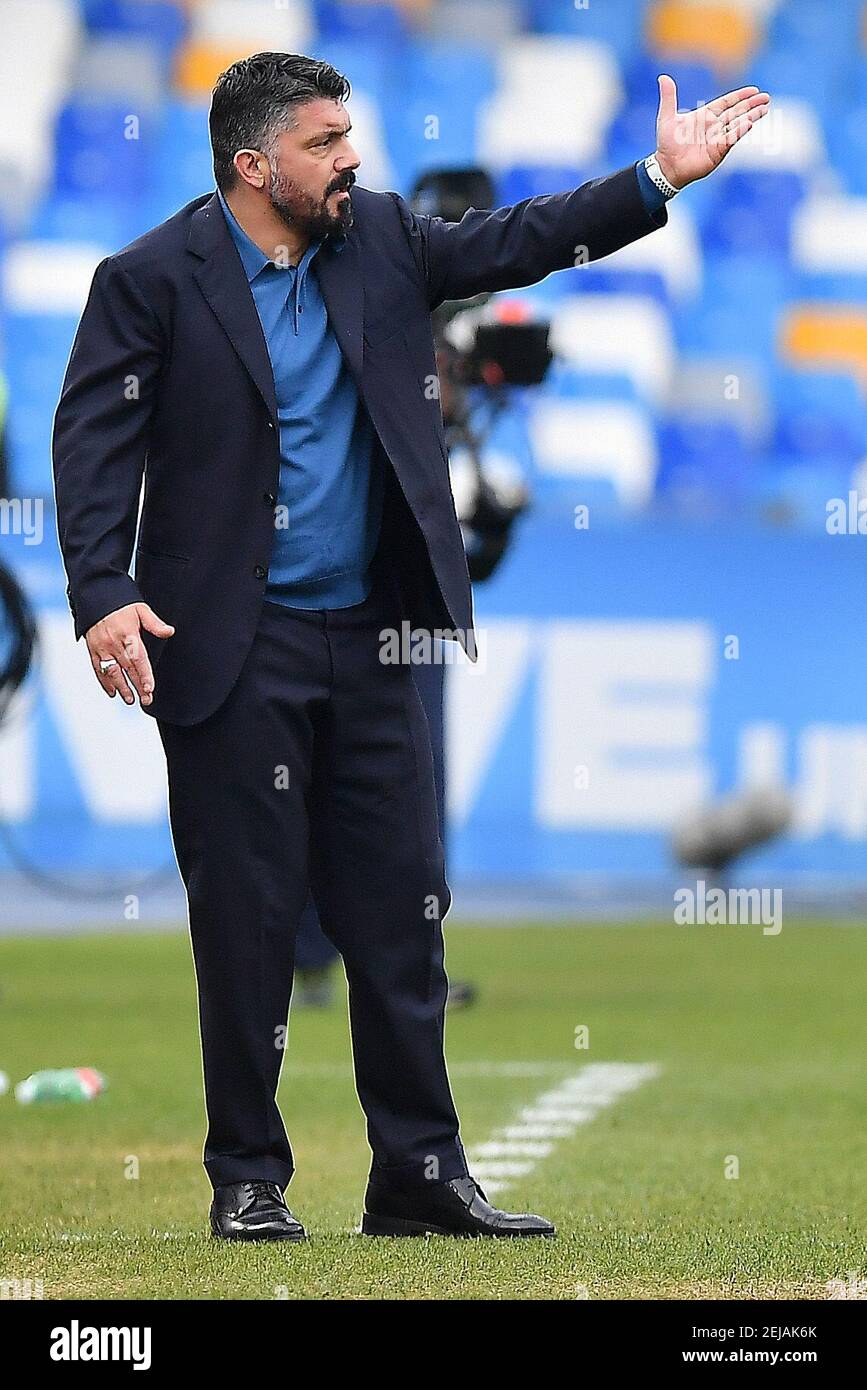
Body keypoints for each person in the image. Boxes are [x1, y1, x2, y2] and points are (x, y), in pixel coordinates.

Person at [52, 52, 769, 1241]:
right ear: (254, 163)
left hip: (376, 634)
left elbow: (522, 238)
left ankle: (419, 1176)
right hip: (231, 646)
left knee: (402, 914)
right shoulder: (147, 280)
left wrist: (656, 179)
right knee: (245, 920)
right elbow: (92, 445)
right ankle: (247, 1178)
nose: (352, 159)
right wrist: (100, 592)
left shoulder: (379, 239)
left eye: (351, 136)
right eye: (327, 141)